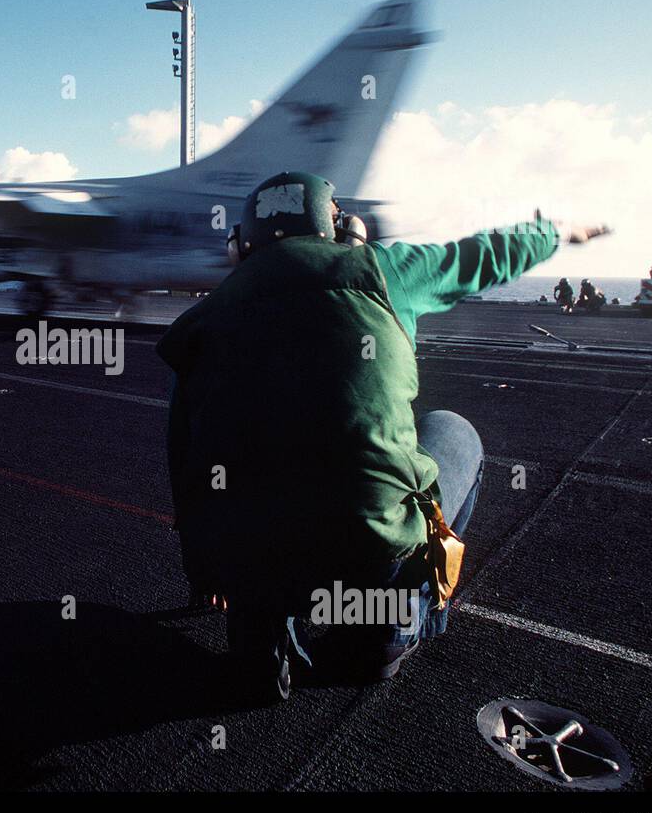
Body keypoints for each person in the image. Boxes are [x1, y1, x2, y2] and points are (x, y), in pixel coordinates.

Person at [157, 171, 608, 702]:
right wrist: (555, 232)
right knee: (452, 431)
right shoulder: (383, 271)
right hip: (368, 549)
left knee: (248, 490)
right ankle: (397, 627)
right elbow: (484, 254)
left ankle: (262, 631)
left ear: (239, 248)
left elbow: (185, 462)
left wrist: (206, 572)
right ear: (346, 230)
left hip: (248, 562)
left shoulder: (199, 323)